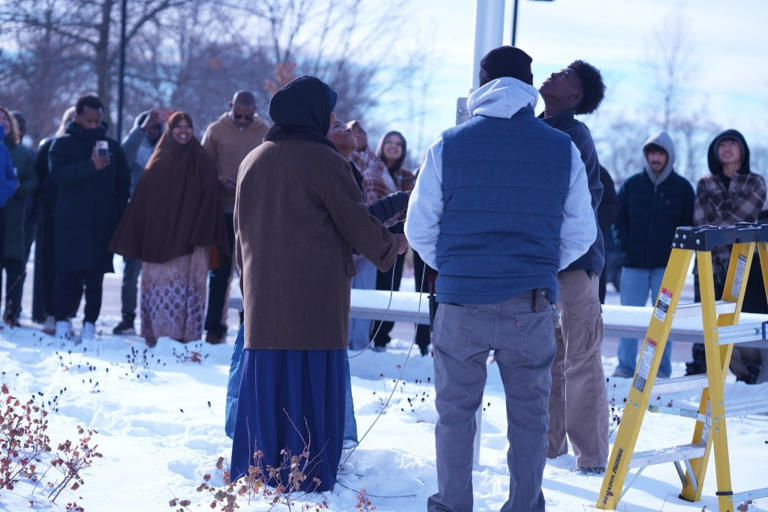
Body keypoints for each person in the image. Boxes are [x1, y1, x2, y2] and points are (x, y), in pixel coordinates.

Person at [406, 46, 596, 512]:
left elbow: (418, 228)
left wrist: (455, 266)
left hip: (460, 301)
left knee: (454, 416)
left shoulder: (448, 144)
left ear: (482, 82)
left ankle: (453, 505)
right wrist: (539, 266)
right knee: (529, 419)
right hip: (528, 304)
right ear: (529, 84)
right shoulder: (562, 148)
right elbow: (581, 233)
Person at [230, 76, 400, 492]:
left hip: (264, 300)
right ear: (312, 114)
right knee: (308, 383)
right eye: (328, 110)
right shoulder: (326, 163)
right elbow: (357, 225)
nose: (332, 118)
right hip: (314, 301)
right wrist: (397, 241)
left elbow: (238, 233)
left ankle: (260, 466)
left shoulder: (253, 159)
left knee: (268, 384)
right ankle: (305, 470)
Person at [539, 59, 609, 474]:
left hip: (576, 264)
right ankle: (549, 447)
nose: (553, 75)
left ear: (575, 96)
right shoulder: (533, 127)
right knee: (549, 356)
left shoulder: (574, 134)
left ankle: (593, 458)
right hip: (544, 266)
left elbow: (583, 203)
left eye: (565, 75)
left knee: (581, 357)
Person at [110, 112, 229, 347]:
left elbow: (208, 197)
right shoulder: (158, 161)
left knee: (189, 288)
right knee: (161, 287)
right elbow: (144, 201)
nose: (183, 131)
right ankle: (157, 334)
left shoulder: (202, 160)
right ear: (170, 130)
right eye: (178, 126)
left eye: (188, 126)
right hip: (159, 240)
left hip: (192, 243)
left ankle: (188, 336)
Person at [612, 132, 694, 378]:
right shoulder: (631, 184)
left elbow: (688, 224)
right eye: (652, 153)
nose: (655, 158)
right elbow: (618, 218)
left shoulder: (682, 188)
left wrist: (678, 256)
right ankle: (625, 366)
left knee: (663, 320)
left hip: (666, 267)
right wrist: (623, 243)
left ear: (669, 156)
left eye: (660, 153)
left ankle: (661, 369)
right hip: (633, 265)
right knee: (629, 319)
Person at [49, 94, 130, 341]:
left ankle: (90, 324)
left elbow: (122, 185)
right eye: (89, 121)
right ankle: (62, 321)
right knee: (66, 276)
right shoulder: (61, 145)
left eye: (98, 121)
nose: (94, 125)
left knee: (95, 279)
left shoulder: (112, 147)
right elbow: (57, 177)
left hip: (100, 225)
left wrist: (115, 216)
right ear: (77, 117)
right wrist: (90, 166)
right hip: (70, 224)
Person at [685, 129, 766, 376]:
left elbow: (746, 216)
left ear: (743, 150)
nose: (727, 147)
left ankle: (753, 370)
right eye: (721, 143)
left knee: (745, 319)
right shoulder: (704, 182)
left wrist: (719, 228)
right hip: (710, 263)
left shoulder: (756, 182)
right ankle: (706, 367)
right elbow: (701, 222)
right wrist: (724, 230)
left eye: (733, 143)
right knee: (708, 319)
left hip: (745, 264)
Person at [201, 91, 269, 344]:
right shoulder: (215, 130)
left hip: (253, 213)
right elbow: (203, 166)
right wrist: (219, 183)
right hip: (223, 210)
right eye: (238, 115)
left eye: (247, 116)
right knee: (219, 272)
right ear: (230, 106)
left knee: (250, 273)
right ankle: (214, 328)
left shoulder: (265, 131)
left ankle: (248, 328)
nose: (242, 120)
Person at [112, 109, 165, 335]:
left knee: (157, 272)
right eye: (148, 127)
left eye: (156, 127)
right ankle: (127, 317)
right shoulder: (134, 147)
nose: (153, 131)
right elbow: (123, 157)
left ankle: (155, 319)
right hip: (134, 214)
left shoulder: (166, 148)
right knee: (131, 271)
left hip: (159, 216)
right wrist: (140, 128)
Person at [31, 107, 76, 333]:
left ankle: (66, 313)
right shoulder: (49, 146)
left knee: (71, 269)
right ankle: (48, 312)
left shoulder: (86, 150)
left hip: (76, 218)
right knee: (49, 266)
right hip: (50, 217)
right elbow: (39, 180)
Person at [370, 131, 414, 350]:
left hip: (397, 232)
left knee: (390, 285)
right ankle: (364, 334)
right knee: (371, 285)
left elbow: (412, 206)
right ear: (381, 144)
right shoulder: (372, 170)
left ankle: (381, 337)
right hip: (370, 231)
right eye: (389, 141)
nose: (393, 146)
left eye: (398, 144)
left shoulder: (407, 176)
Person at [0, 106, 38, 327]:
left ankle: (12, 313)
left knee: (15, 266)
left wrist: (18, 188)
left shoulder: (22, 153)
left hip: (15, 219)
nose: (2, 123)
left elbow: (34, 181)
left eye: (5, 120)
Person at [597, 165, 619, 304]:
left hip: (593, 249)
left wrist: (588, 227)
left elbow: (612, 206)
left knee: (594, 306)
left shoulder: (599, 173)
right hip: (554, 248)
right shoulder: (552, 161)